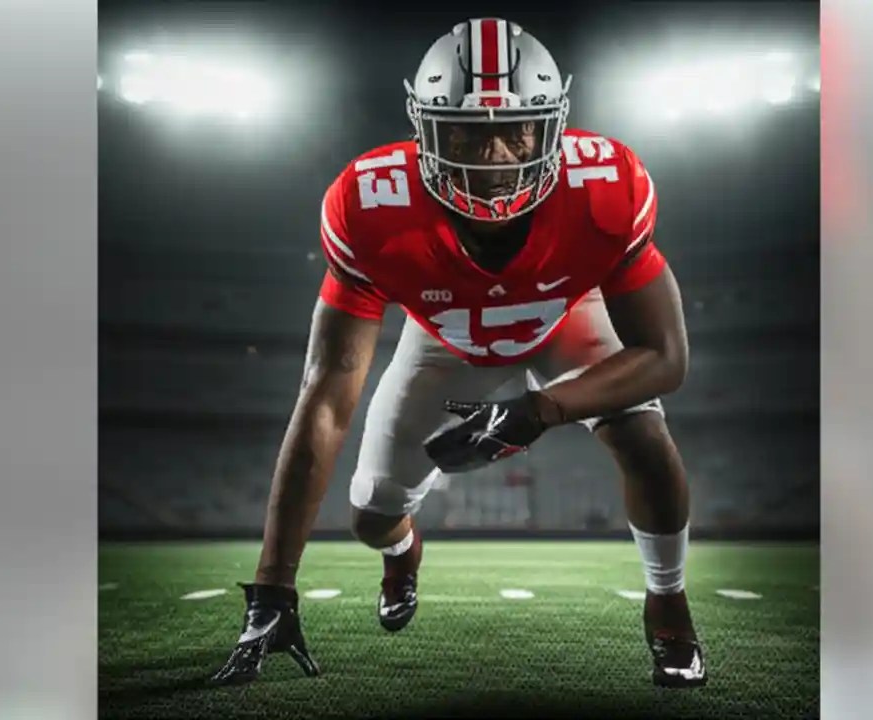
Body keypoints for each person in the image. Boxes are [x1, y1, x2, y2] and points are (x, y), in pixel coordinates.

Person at [211, 17, 704, 688]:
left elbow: (665, 358)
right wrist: (273, 585)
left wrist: (541, 409)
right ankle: (404, 552)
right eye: (470, 131)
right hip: (442, 339)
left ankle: (669, 604)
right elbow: (326, 396)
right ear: (426, 132)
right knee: (371, 515)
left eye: (516, 129)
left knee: (645, 435)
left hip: (566, 318)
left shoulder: (606, 188)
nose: (497, 157)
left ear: (552, 126)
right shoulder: (370, 205)